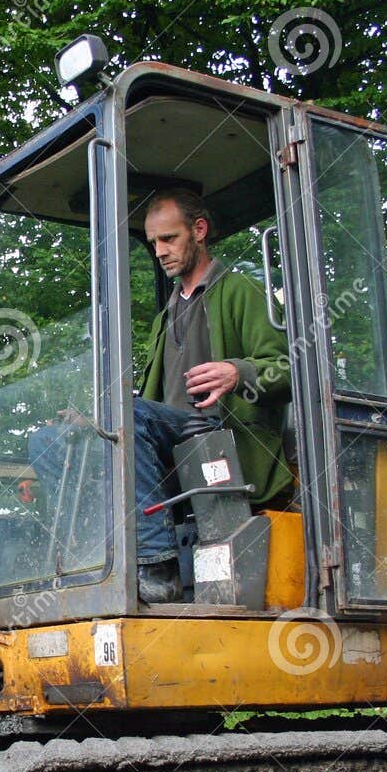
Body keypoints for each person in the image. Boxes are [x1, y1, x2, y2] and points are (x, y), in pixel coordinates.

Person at [133, 188, 292, 603]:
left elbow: (292, 369)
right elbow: (149, 404)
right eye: (154, 243)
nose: (160, 252)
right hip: (175, 445)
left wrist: (238, 371)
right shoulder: (165, 317)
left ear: (199, 230)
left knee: (128, 416)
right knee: (73, 436)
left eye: (169, 239)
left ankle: (155, 562)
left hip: (223, 439)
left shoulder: (239, 292)